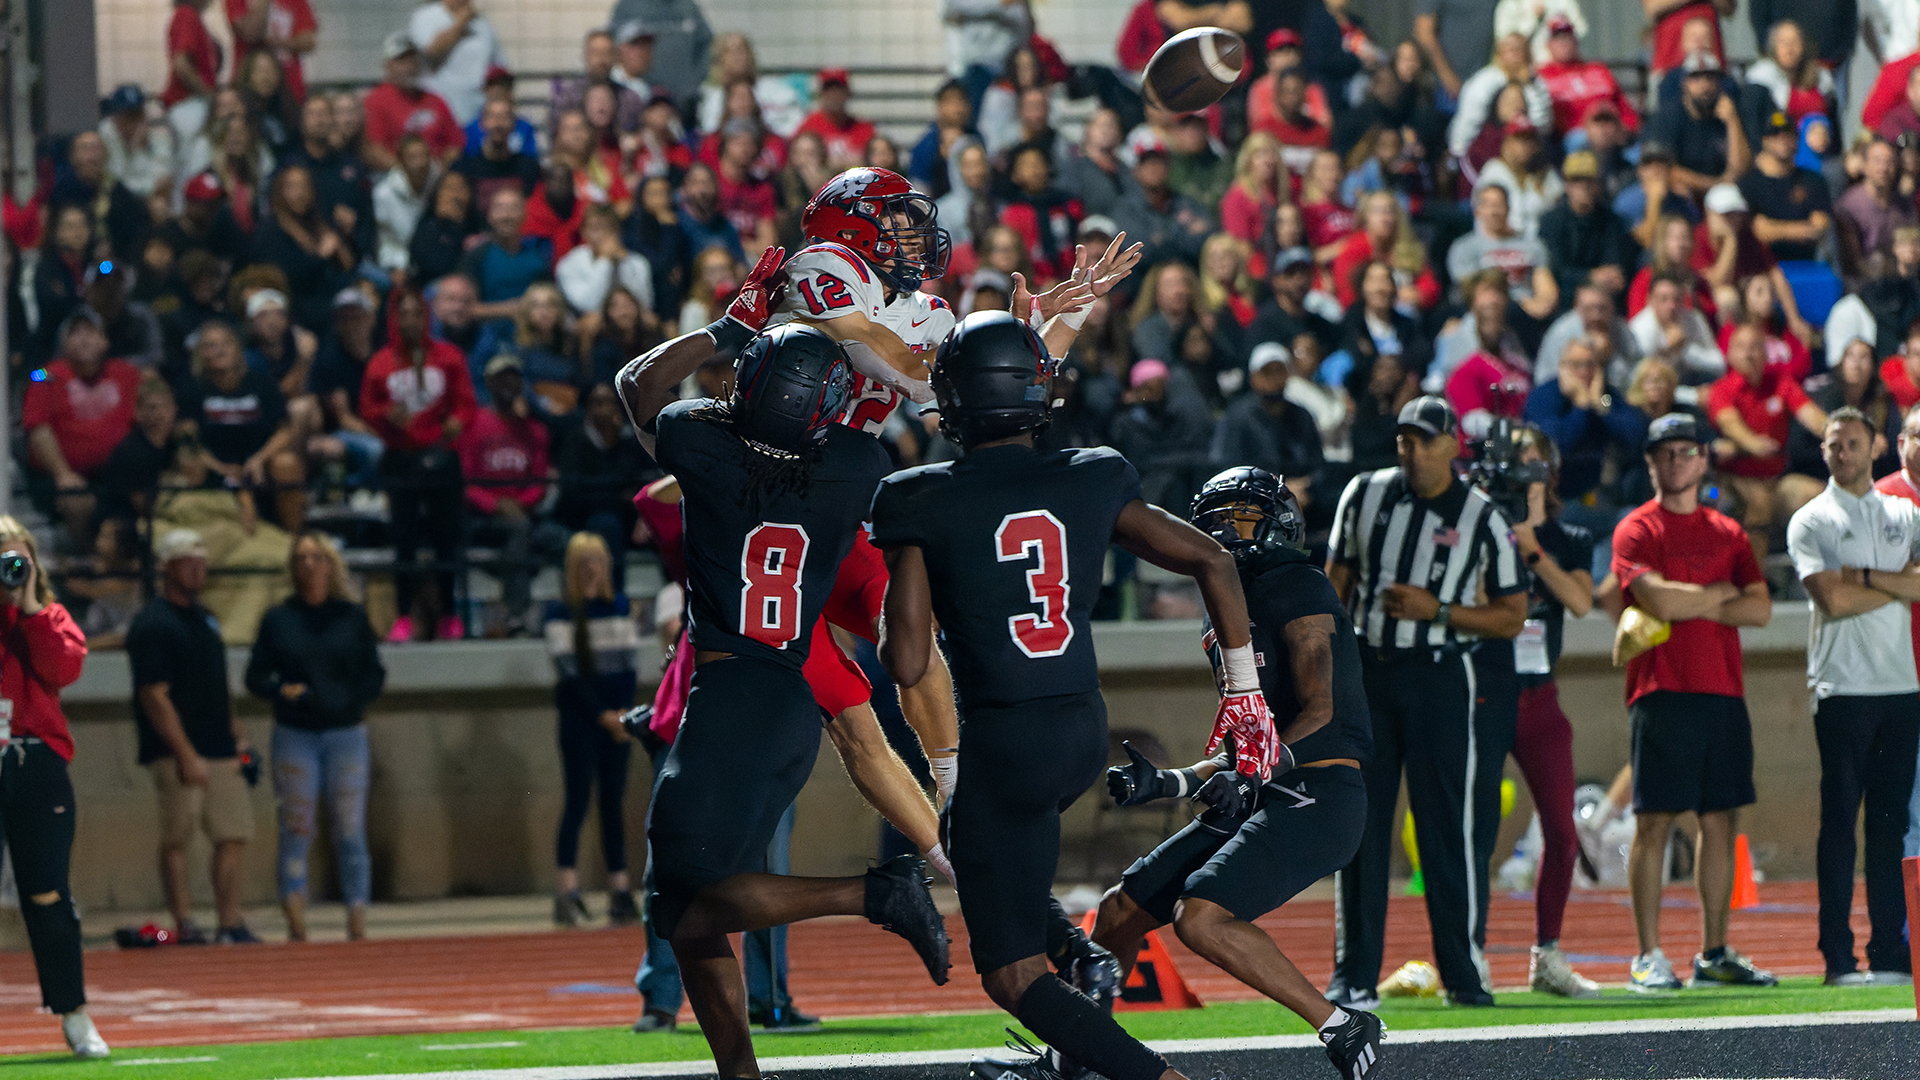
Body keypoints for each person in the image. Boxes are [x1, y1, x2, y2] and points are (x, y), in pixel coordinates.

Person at [871, 310, 1293, 1080]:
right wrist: (1244, 694)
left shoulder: (916, 497)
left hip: (1006, 737)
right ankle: (1085, 961)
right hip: (1080, 727)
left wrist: (911, 567)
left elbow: (903, 660)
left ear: (956, 401)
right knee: (979, 853)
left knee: (1009, 973)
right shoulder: (1093, 472)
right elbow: (1213, 562)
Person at [619, 319, 951, 1080]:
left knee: (681, 909)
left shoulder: (703, 446)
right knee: (700, 909)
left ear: (748, 386)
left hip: (732, 699)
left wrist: (726, 327)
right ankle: (739, 1072)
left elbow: (636, 388)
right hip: (790, 703)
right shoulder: (852, 463)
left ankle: (875, 892)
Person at [1083, 467, 1384, 1072]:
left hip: (1319, 791)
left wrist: (1252, 775)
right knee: (1116, 918)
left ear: (1275, 519)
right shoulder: (1222, 603)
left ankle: (1341, 1024)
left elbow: (1322, 712)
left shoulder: (1294, 582)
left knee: (1202, 918)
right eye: (1214, 518)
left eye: (1239, 514)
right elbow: (1248, 741)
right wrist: (1168, 782)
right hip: (1266, 791)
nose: (1223, 527)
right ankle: (1078, 1061)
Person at [1326, 395, 1528, 1008]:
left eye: (1423, 439)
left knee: (1448, 830)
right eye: (1403, 439)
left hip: (1441, 677)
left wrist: (1437, 610)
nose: (1409, 450)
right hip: (1369, 675)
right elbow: (1336, 581)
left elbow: (1513, 615)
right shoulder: (1365, 494)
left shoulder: (1482, 516)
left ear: (1451, 447)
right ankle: (1354, 974)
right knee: (1360, 826)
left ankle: (1464, 973)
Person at [1612, 412, 1779, 991]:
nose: (1677, 460)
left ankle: (1713, 952)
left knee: (1720, 820)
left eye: (1687, 451)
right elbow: (1655, 600)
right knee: (1653, 821)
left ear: (1704, 458)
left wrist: (1690, 602)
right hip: (1661, 692)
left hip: (1723, 693)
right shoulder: (1636, 528)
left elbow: (1759, 610)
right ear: (1651, 462)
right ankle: (1648, 954)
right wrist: (1718, 595)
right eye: (1666, 452)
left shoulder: (1728, 532)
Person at [1786, 409, 1920, 987]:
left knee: (1889, 827)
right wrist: (1894, 586)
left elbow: (1856, 589)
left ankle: (1889, 951)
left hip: (1900, 686)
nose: (1843, 453)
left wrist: (1861, 577)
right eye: (1834, 444)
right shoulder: (1810, 520)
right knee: (1840, 822)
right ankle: (1837, 956)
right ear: (1823, 452)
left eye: (1853, 443)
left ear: (1874, 449)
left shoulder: (1904, 513)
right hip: (1842, 687)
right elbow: (1830, 601)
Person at [1500, 426, 1606, 997]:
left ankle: (1547, 953)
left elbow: (1581, 600)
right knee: (1465, 833)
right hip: (1486, 695)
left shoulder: (1568, 536)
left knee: (1563, 834)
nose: (1526, 470)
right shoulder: (1481, 529)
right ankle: (1462, 953)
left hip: (1541, 697)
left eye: (1535, 459)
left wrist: (1532, 546)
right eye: (1517, 460)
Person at [0, 519, 110, 1058]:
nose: (9, 569)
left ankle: (74, 1014)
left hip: (38, 764)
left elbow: (61, 668)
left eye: (17, 559)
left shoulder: (49, 616)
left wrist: (28, 606)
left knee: (48, 895)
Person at [243, 532, 384, 942]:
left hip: (345, 732)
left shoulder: (351, 618)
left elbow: (373, 673)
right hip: (296, 732)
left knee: (349, 827)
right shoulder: (279, 619)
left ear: (330, 564)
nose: (309, 565)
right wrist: (279, 690)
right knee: (297, 825)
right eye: (301, 557)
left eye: (317, 557)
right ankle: (294, 911)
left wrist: (348, 699)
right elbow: (255, 676)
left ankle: (357, 912)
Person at [127, 529, 260, 945]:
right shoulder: (153, 624)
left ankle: (230, 921)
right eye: (188, 560)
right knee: (178, 837)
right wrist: (184, 752)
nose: (198, 568)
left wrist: (238, 737)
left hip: (218, 744)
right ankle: (184, 921)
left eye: (202, 560)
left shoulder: (205, 619)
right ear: (167, 566)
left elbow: (218, 687)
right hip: (176, 750)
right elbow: (154, 694)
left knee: (232, 832)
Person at [362, 287, 477, 642]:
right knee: (404, 540)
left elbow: (465, 403)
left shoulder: (448, 357)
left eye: (416, 313)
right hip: (401, 458)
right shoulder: (381, 362)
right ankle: (403, 615)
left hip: (441, 456)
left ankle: (448, 614)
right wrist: (386, 416)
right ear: (393, 319)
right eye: (403, 314)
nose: (410, 321)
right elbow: (367, 407)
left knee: (447, 538)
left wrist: (456, 423)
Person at [544, 532, 641, 927]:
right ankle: (567, 891)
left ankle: (619, 890)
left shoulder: (618, 606)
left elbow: (629, 666)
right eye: (584, 561)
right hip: (579, 720)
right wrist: (603, 714)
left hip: (614, 719)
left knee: (613, 803)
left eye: (597, 560)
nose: (592, 567)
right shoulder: (559, 611)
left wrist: (621, 714)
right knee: (578, 799)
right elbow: (569, 674)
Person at [1707, 324, 1829, 564]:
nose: (1749, 354)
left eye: (1755, 347)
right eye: (1741, 348)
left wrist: (1842, 432)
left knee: (1820, 497)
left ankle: (1822, 575)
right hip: (1730, 483)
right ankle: (1752, 580)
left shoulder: (1781, 383)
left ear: (1765, 353)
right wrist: (1753, 444)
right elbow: (1730, 424)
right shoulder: (1721, 390)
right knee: (1759, 500)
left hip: (1776, 479)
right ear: (1729, 354)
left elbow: (1812, 416)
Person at [22, 309, 142, 547]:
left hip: (120, 474)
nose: (84, 338)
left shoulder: (127, 373)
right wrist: (62, 473)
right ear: (64, 343)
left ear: (104, 340)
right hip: (69, 476)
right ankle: (88, 563)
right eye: (75, 333)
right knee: (76, 499)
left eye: (91, 332)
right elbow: (38, 428)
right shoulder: (45, 376)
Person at [458, 353, 552, 633]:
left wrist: (519, 505)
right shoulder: (474, 424)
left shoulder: (535, 431)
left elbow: (540, 481)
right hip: (482, 519)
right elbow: (465, 482)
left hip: (524, 517)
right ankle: (517, 613)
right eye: (501, 378)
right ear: (488, 383)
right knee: (519, 531)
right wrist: (496, 505)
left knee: (563, 540)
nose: (508, 384)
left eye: (513, 377)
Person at [1211, 350, 1324, 504]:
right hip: (1252, 501)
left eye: (1279, 371)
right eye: (1267, 373)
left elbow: (1317, 464)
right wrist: (1280, 490)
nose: (1274, 379)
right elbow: (1230, 470)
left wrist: (1304, 485)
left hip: (1302, 497)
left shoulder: (1301, 415)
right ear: (1253, 378)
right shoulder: (1238, 417)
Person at [1647, 50, 1751, 200]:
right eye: (1696, 77)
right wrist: (1717, 184)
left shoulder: (1731, 113)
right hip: (1683, 195)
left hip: (1725, 196)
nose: (1704, 85)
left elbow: (1742, 169)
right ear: (1684, 83)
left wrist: (1732, 122)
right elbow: (1664, 170)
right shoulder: (1668, 116)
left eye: (1710, 77)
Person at [1539, 151, 1637, 302]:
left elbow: (1616, 263)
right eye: (1576, 180)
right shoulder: (1550, 221)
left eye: (1589, 180)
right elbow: (1556, 269)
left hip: (1604, 296)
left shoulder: (1611, 221)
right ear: (1566, 184)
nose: (1583, 186)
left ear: (1598, 184)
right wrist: (1590, 276)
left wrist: (1607, 275)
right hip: (1564, 299)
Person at [1739, 109, 1833, 264]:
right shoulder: (1748, 184)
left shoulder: (1813, 180)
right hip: (1762, 267)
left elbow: (1819, 227)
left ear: (1796, 138)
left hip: (1806, 265)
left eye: (1787, 133)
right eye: (1774, 133)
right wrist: (1801, 229)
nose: (1782, 138)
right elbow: (1757, 232)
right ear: (1763, 140)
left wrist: (1774, 230)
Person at [362, 32, 463, 171]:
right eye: (401, 60)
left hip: (437, 177)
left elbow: (455, 144)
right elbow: (375, 150)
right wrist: (411, 176)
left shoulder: (436, 100)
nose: (409, 66)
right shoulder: (376, 101)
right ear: (388, 65)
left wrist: (437, 171)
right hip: (395, 179)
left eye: (413, 59)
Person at [409, 0, 503, 126]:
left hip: (477, 112)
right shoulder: (426, 17)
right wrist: (460, 24)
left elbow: (498, 66)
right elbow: (431, 52)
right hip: (439, 112)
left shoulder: (481, 23)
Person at [1628, 271, 1726, 385]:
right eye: (1664, 299)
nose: (1671, 306)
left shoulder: (1693, 319)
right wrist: (1668, 350)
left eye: (1676, 299)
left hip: (1693, 381)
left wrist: (1685, 350)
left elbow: (1719, 363)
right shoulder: (1641, 329)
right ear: (1651, 300)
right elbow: (1637, 378)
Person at [797, 69, 877, 170]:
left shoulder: (864, 129)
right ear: (820, 94)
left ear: (848, 93)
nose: (834, 95)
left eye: (838, 90)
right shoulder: (808, 127)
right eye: (829, 90)